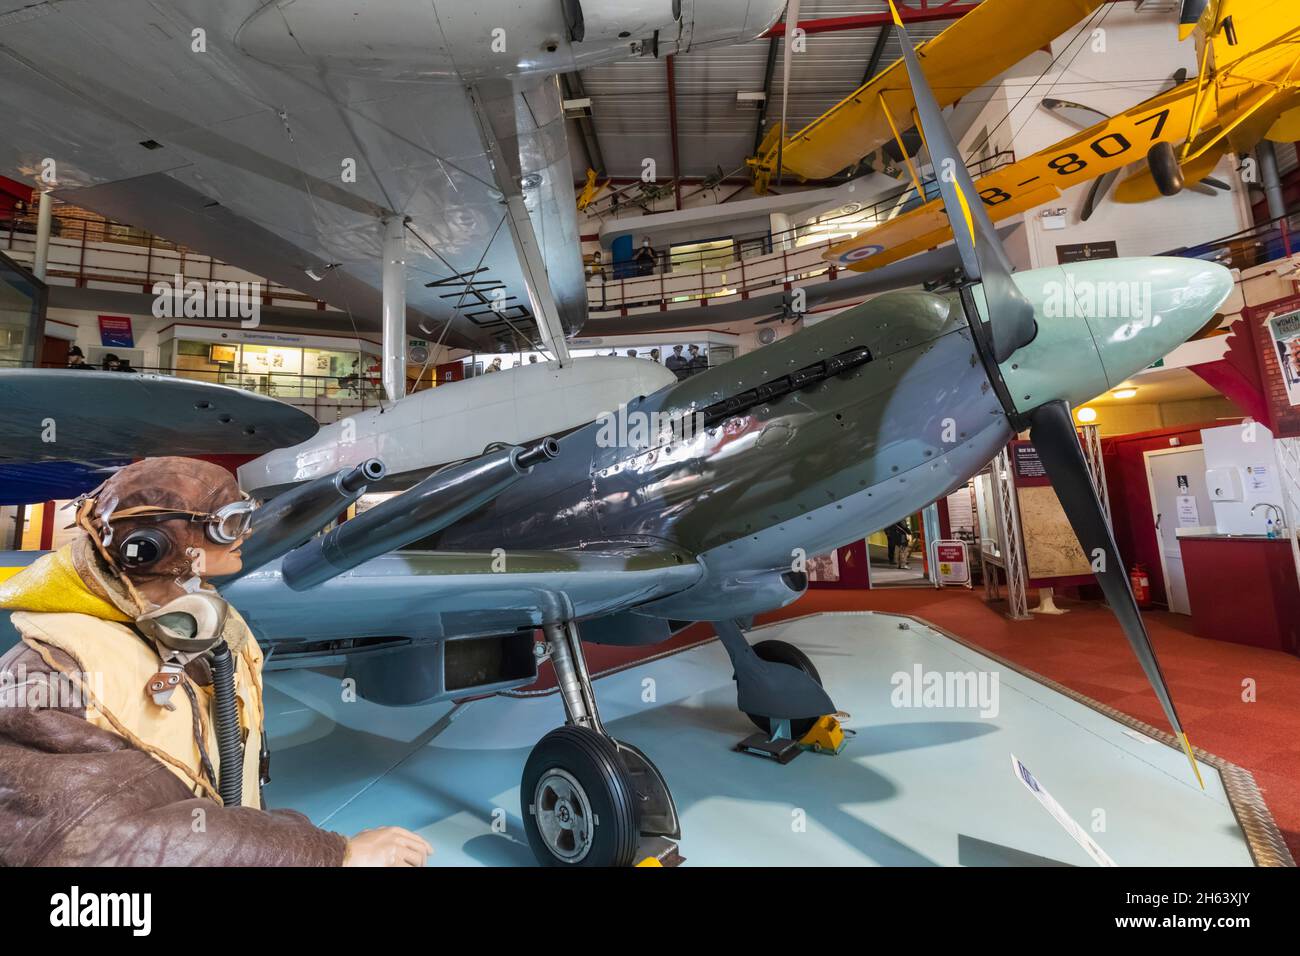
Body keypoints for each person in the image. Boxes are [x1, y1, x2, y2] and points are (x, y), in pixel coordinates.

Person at [0, 457, 432, 866]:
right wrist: (329, 854)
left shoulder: (196, 629)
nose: (247, 535)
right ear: (154, 546)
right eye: (230, 524)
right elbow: (90, 838)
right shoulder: (49, 670)